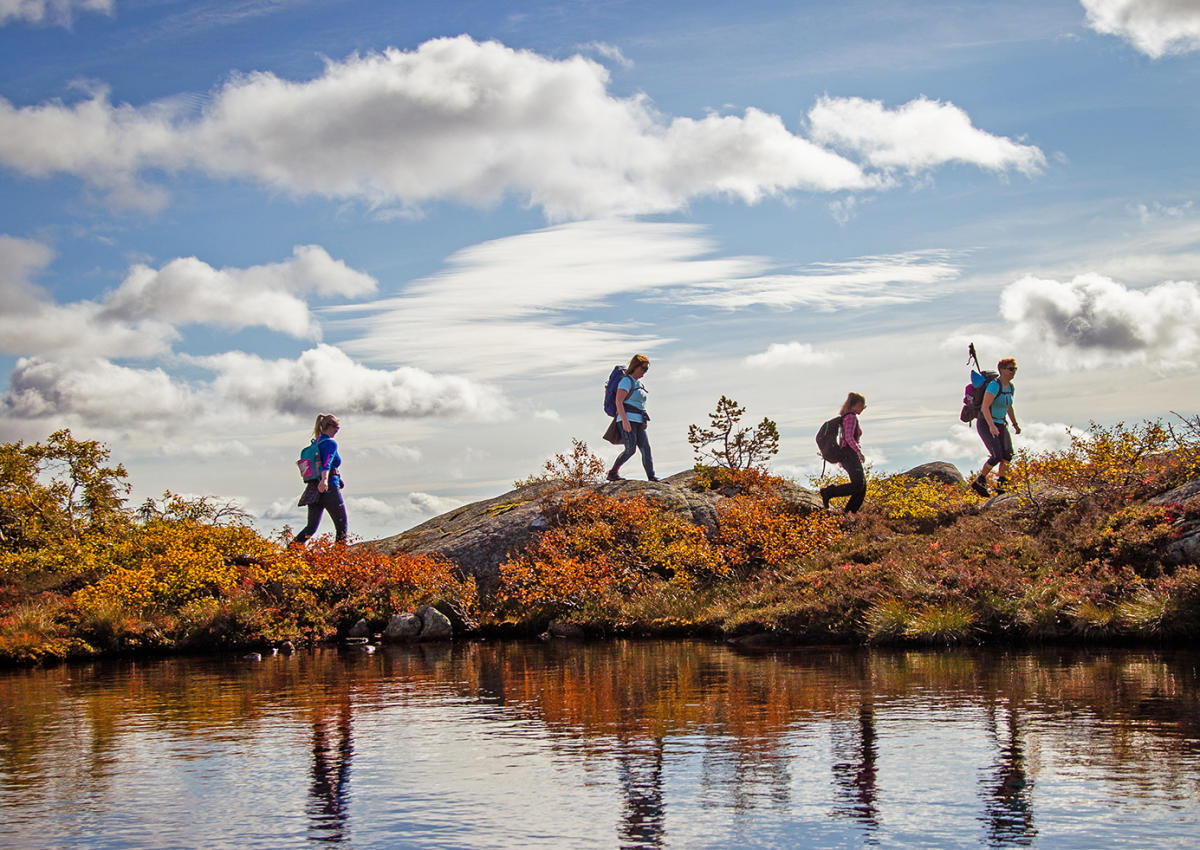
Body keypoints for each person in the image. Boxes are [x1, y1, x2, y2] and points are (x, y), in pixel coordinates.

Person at [292, 413, 347, 543]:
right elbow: (326, 463)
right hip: (329, 487)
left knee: (311, 527)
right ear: (330, 426)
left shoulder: (315, 443)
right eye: (337, 427)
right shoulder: (330, 443)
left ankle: (290, 552)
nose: (338, 430)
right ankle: (340, 559)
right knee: (341, 526)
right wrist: (324, 480)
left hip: (313, 489)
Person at [971, 358, 1021, 497]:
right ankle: (979, 482)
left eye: (1014, 369)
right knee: (997, 455)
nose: (1013, 372)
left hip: (1000, 422)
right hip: (986, 423)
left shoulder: (1010, 387)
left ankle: (1001, 485)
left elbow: (1009, 406)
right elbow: (985, 407)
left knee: (1008, 454)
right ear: (1002, 370)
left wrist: (1015, 424)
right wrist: (991, 426)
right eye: (1010, 369)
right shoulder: (994, 386)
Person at [608, 354, 658, 482]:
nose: (645, 372)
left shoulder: (638, 383)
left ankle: (651, 477)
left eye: (647, 369)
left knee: (645, 448)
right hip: (627, 419)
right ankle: (613, 473)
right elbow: (618, 401)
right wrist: (624, 421)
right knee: (630, 449)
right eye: (643, 368)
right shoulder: (626, 381)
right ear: (635, 367)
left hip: (638, 420)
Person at [820, 392, 867, 514]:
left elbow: (843, 439)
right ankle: (828, 493)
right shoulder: (850, 417)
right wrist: (858, 452)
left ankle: (849, 513)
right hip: (849, 454)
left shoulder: (845, 417)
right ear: (856, 404)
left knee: (861, 487)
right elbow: (849, 438)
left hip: (846, 454)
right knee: (858, 485)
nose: (863, 408)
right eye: (862, 405)